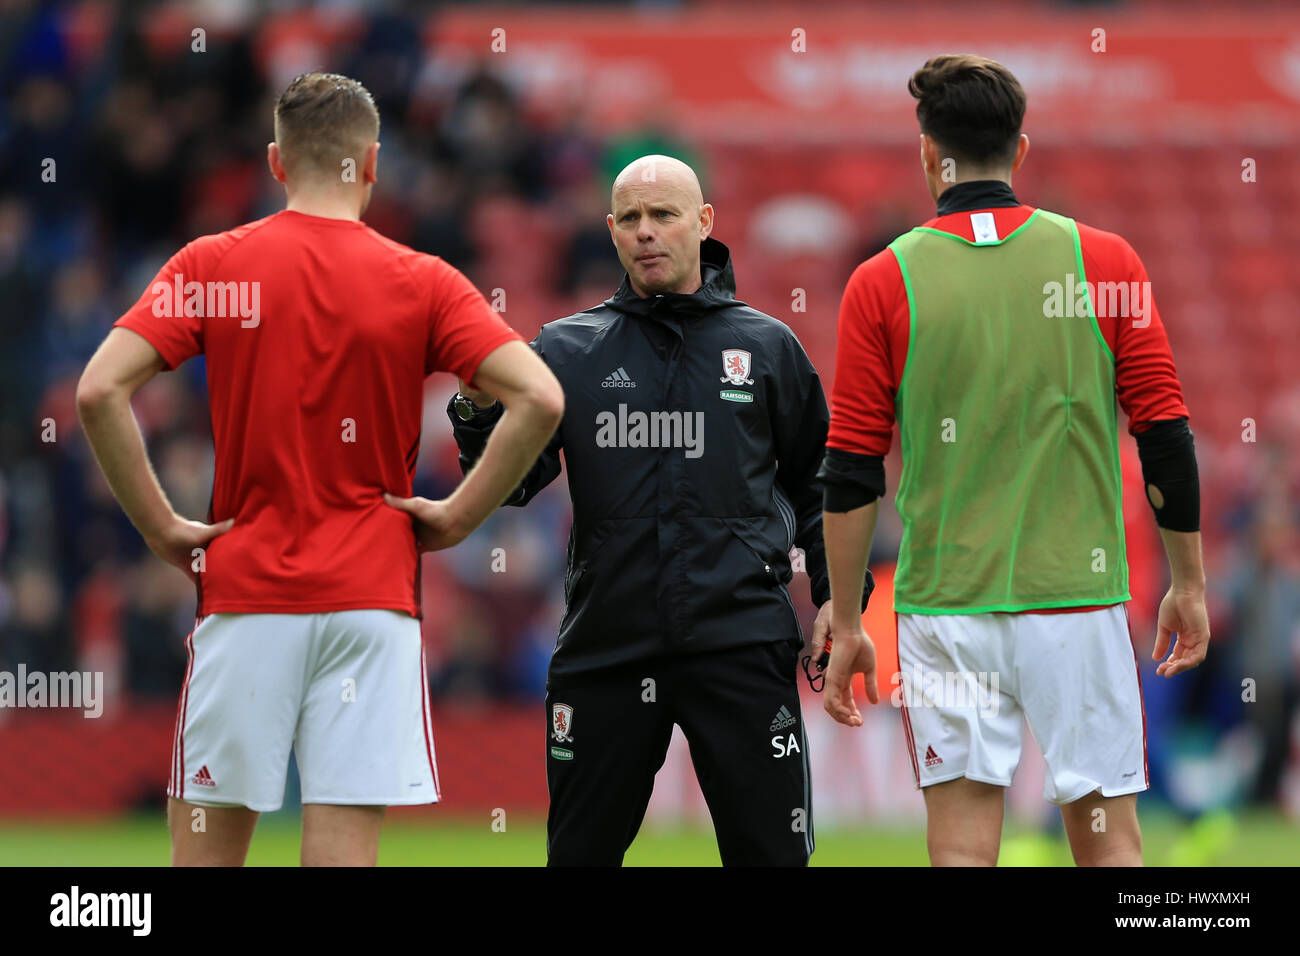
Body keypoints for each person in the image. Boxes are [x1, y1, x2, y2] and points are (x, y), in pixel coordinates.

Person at [76, 72, 563, 866]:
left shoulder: (214, 265)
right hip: (372, 600)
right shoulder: (423, 280)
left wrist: (164, 527)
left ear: (276, 162)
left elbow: (98, 388)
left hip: (247, 592)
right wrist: (456, 514)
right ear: (371, 164)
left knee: (205, 853)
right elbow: (539, 398)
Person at [818, 55, 1209, 866]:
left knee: (962, 851)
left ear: (929, 153)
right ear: (1020, 151)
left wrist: (852, 619)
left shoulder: (881, 281)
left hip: (945, 603)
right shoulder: (1106, 264)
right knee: (1109, 849)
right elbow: (1164, 429)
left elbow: (852, 465)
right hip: (1076, 600)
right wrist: (1190, 581)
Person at [450, 155, 870, 866]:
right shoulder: (564, 350)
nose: (647, 232)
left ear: (703, 224)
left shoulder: (767, 347)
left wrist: (834, 595)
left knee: (773, 857)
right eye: (632, 219)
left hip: (739, 643)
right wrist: (476, 407)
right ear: (611, 231)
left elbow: (816, 484)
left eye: (665, 215)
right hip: (606, 646)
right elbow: (512, 485)